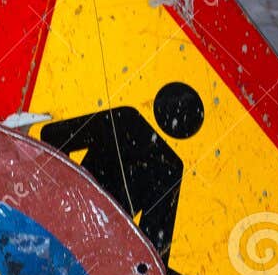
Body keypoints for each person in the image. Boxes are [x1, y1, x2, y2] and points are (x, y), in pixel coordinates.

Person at [39, 81, 204, 263]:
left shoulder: (127, 120)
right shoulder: (169, 166)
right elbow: (152, 252)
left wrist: (60, 195)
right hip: (88, 245)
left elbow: (53, 136)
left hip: (79, 236)